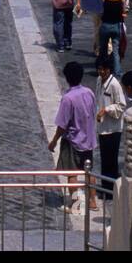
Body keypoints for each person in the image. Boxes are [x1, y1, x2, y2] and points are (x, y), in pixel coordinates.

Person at [49, 61, 99, 212]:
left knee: (72, 173)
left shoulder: (68, 98)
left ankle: (77, 205)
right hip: (88, 139)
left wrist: (54, 141)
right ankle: (93, 202)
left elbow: (62, 125)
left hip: (73, 141)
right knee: (88, 171)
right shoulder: (89, 92)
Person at [95, 55, 126, 200]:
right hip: (102, 127)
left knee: (111, 160)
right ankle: (105, 187)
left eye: (103, 70)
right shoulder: (98, 81)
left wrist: (106, 109)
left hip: (113, 129)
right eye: (99, 69)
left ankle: (111, 190)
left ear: (109, 70)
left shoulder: (114, 84)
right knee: (104, 159)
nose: (101, 72)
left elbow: (121, 106)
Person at [86, 0, 125, 75]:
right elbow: (124, 11)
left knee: (103, 49)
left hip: (105, 26)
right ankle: (117, 71)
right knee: (116, 51)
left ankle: (102, 68)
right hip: (116, 26)